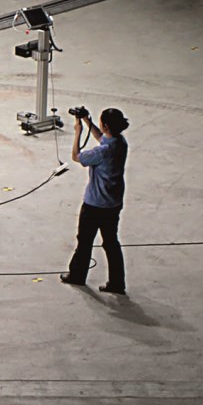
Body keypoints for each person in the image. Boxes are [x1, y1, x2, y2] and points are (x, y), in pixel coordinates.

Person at [61, 107, 130, 294]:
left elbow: (76, 157)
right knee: (111, 242)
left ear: (105, 125)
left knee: (85, 240)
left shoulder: (102, 152)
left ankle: (77, 275)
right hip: (113, 203)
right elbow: (102, 137)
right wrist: (87, 121)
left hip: (95, 204)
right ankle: (117, 282)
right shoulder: (120, 143)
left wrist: (77, 133)